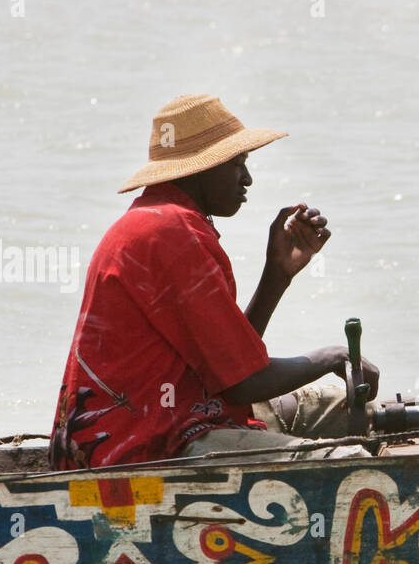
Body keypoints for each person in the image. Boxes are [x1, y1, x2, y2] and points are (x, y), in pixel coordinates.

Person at [49, 94, 378, 470]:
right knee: (348, 461)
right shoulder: (171, 232)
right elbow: (243, 385)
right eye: (237, 164)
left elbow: (229, 371)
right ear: (199, 170)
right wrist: (332, 356)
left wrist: (277, 275)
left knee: (351, 406)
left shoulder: (158, 221)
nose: (248, 178)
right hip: (142, 447)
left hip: (156, 423)